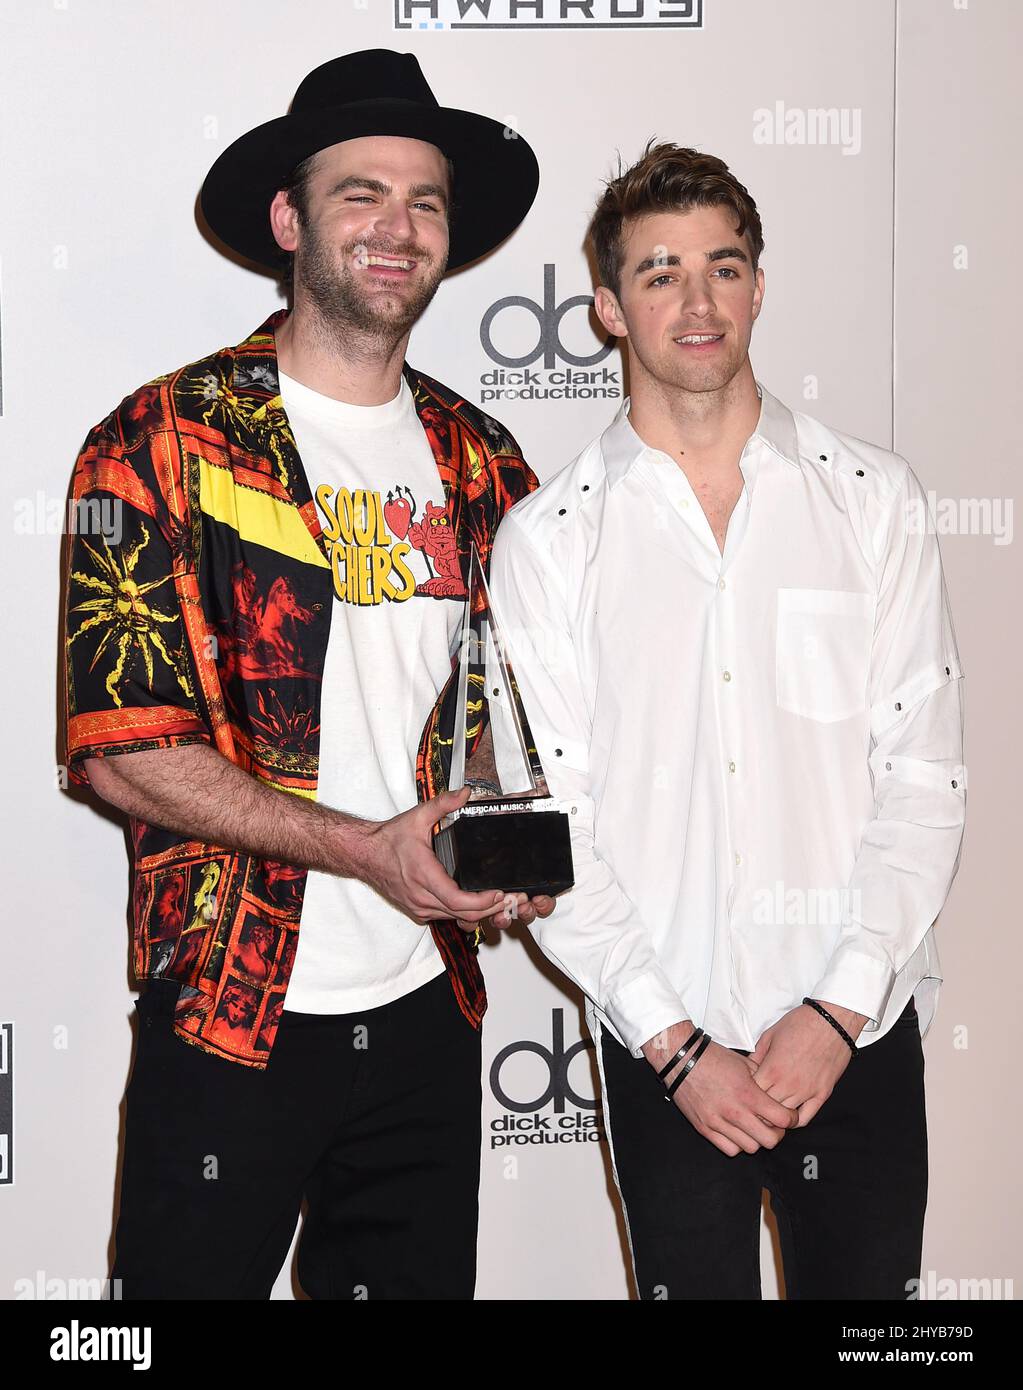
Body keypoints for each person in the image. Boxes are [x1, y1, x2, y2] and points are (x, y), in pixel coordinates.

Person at [60, 48, 555, 1300]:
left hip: (429, 1018)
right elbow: (124, 750)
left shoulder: (488, 461)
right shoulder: (158, 440)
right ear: (290, 220)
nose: (399, 228)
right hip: (234, 1010)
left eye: (427, 201)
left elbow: (518, 726)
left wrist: (507, 858)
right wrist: (368, 849)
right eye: (362, 193)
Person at [488, 140, 966, 1300]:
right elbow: (556, 826)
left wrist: (838, 1008)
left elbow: (923, 776)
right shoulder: (550, 541)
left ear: (759, 284)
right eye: (659, 273)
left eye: (724, 267)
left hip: (855, 1036)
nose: (697, 303)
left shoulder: (873, 499)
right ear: (606, 306)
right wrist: (677, 1044)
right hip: (669, 1055)